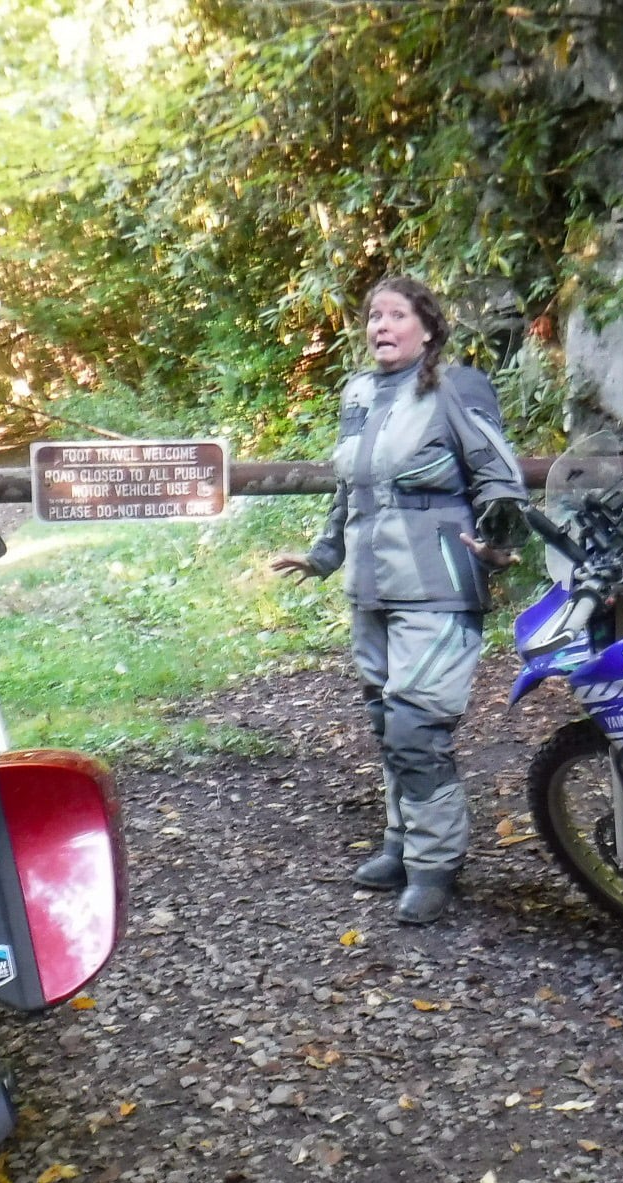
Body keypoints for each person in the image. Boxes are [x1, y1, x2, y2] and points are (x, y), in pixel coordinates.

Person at [272, 276, 528, 925]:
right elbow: (350, 488)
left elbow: (499, 476)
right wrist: (324, 555)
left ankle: (436, 864)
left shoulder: (456, 386)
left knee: (418, 727)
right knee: (389, 723)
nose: (380, 326)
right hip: (371, 584)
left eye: (395, 315)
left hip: (439, 581)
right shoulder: (358, 392)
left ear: (428, 327)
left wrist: (499, 540)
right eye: (373, 316)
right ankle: (401, 842)